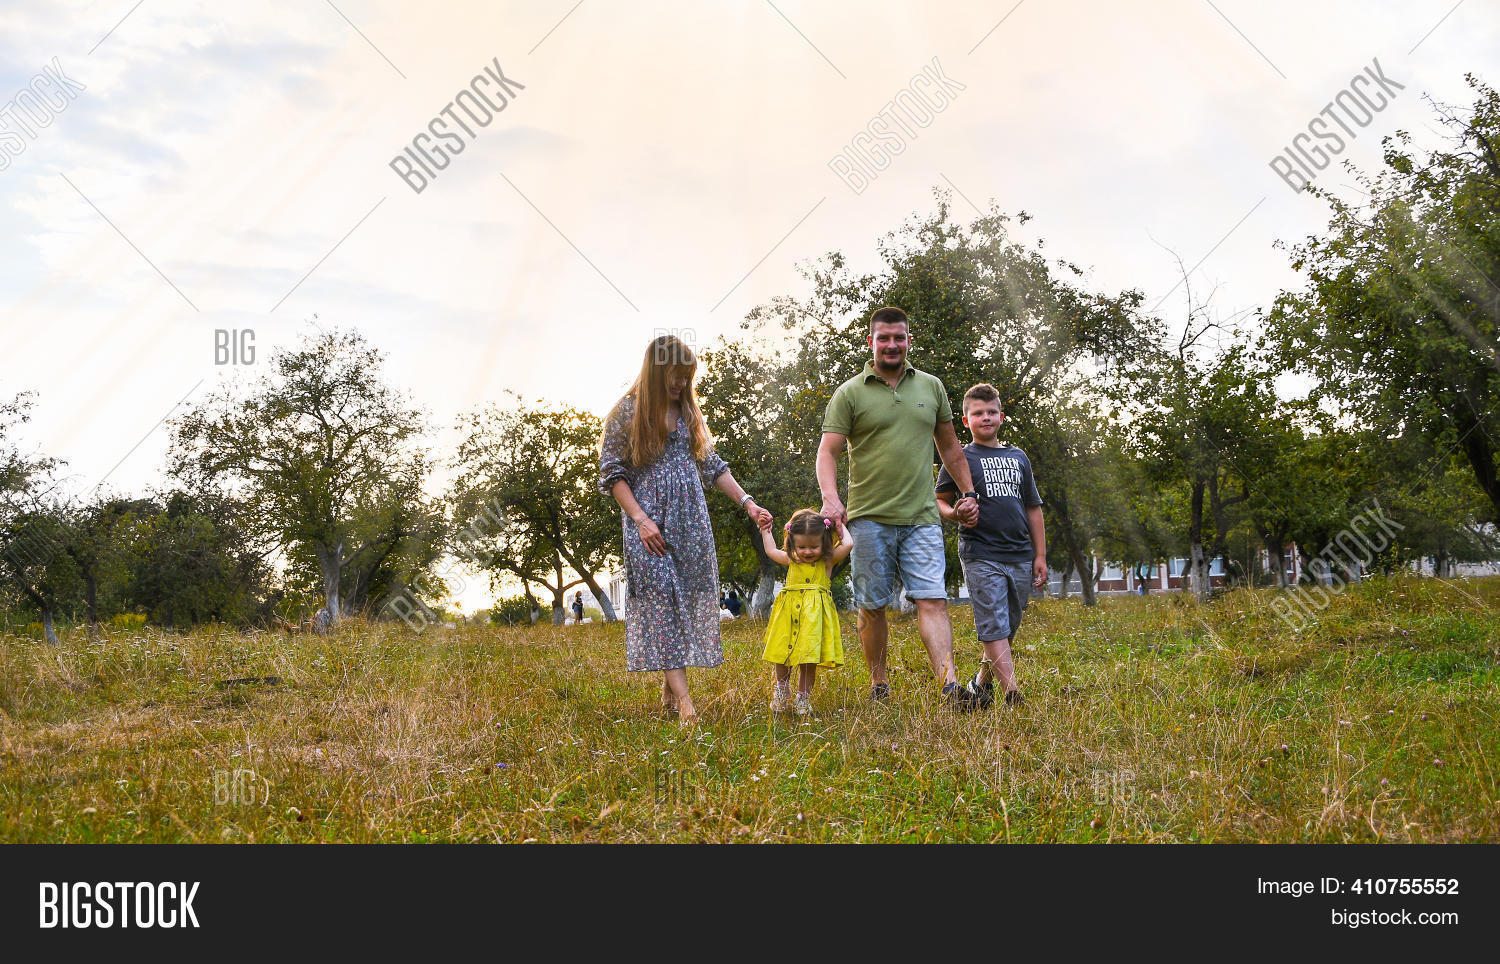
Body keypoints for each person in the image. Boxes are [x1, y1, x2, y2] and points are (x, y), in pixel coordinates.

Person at [599, 334, 772, 726]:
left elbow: (713, 466)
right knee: (661, 600)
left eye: (686, 377)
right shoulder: (626, 413)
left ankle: (670, 685)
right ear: (657, 371)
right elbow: (612, 475)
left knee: (688, 601)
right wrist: (641, 520)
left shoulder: (689, 410)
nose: (680, 384)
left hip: (691, 523)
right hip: (648, 525)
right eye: (675, 376)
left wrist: (747, 503)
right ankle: (687, 704)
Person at [816, 306, 982, 709]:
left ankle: (949, 687)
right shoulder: (850, 393)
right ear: (871, 342)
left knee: (932, 599)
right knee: (872, 607)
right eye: (884, 338)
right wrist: (831, 497)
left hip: (922, 516)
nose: (892, 345)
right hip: (869, 518)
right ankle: (878, 684)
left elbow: (950, 447)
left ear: (909, 340)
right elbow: (828, 451)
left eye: (900, 337)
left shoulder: (931, 387)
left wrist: (969, 493)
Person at [935, 383, 1047, 709]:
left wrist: (1040, 554)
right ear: (966, 421)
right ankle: (1012, 693)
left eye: (991, 412)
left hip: (1020, 553)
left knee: (1009, 624)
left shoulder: (1019, 457)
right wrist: (955, 513)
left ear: (1001, 416)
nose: (986, 417)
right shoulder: (960, 458)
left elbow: (1033, 508)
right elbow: (939, 501)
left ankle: (980, 685)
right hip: (980, 552)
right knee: (992, 623)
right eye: (978, 413)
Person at [757, 509, 854, 716]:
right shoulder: (792, 560)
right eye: (801, 546)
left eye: (814, 546)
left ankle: (803, 697)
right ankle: (782, 690)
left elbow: (848, 544)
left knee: (809, 658)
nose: (807, 552)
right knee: (782, 654)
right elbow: (771, 551)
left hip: (813, 619)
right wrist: (765, 531)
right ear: (792, 544)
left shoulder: (827, 561)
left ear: (824, 543)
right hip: (789, 614)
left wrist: (838, 524)